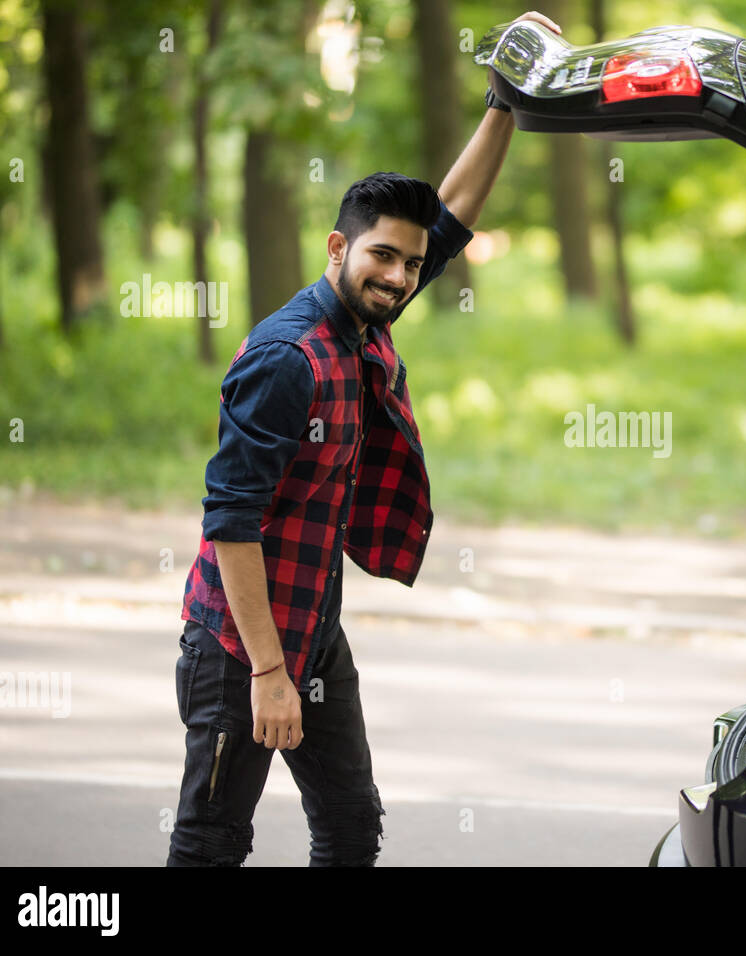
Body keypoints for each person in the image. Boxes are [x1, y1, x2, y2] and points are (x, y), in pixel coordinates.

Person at [167, 10, 562, 866]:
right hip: (241, 648)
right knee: (209, 841)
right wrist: (270, 676)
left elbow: (450, 210)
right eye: (383, 257)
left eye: (412, 266)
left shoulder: (365, 316)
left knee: (351, 828)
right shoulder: (288, 358)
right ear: (338, 247)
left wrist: (505, 100)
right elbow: (230, 523)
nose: (400, 276)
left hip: (313, 631)